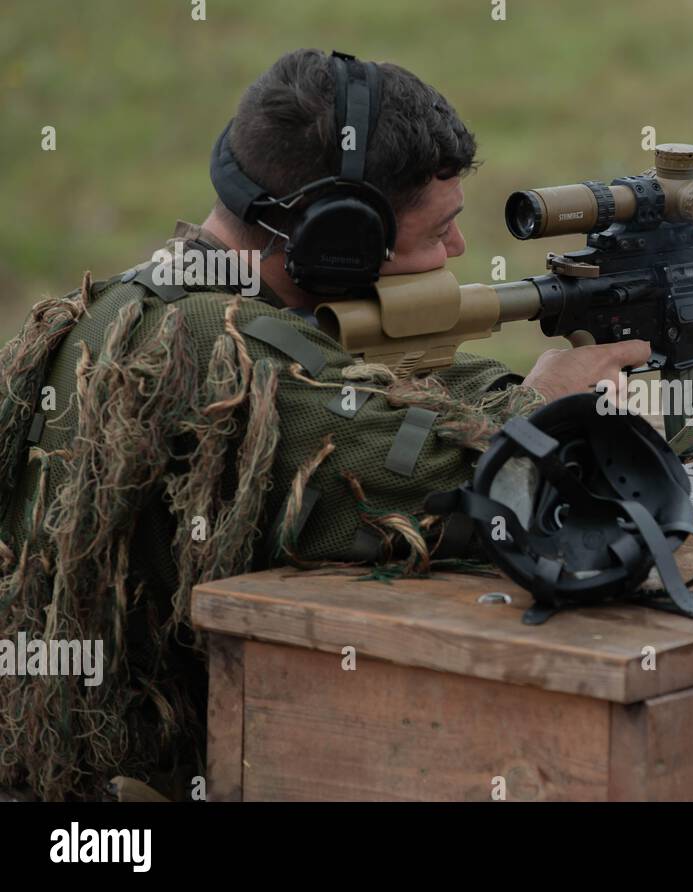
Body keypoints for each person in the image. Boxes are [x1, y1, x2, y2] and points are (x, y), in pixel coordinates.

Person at [0, 48, 648, 800]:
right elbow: (460, 493)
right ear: (336, 240)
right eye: (438, 232)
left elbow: (374, 385)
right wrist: (548, 407)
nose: (458, 250)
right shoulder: (241, 364)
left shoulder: (145, 302)